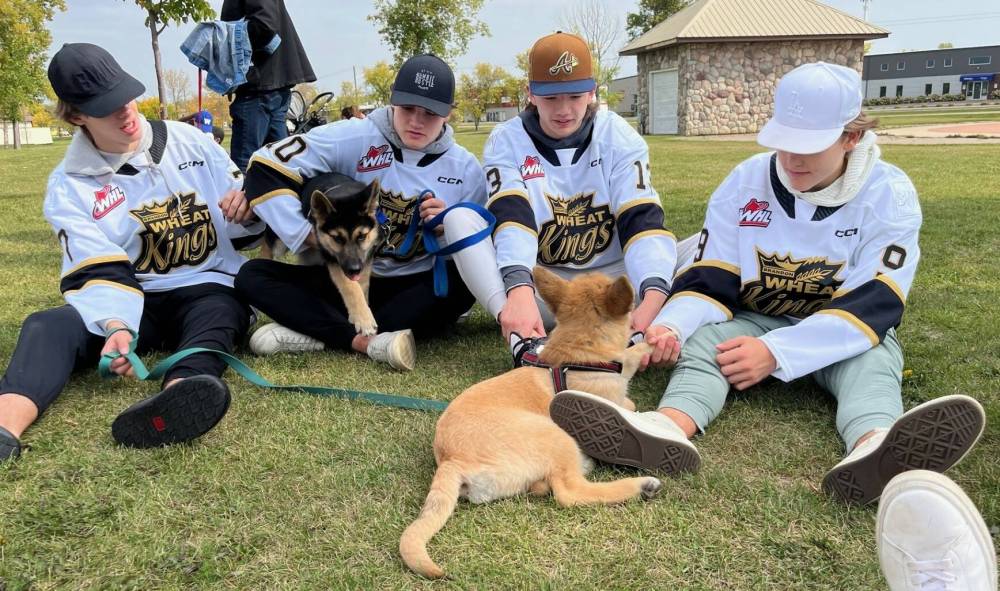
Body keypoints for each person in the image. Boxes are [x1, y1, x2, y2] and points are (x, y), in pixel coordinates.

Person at [548, 62, 986, 504]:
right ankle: (665, 428)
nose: (792, 159)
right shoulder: (746, 180)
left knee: (871, 364)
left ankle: (874, 445)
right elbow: (710, 278)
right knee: (704, 346)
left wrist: (776, 353)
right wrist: (673, 327)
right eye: (782, 142)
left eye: (809, 146)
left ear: (851, 137)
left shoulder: (889, 193)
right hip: (753, 322)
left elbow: (875, 306)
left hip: (843, 335)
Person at [0, 43, 262, 463]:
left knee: (217, 315)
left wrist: (246, 209)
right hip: (134, 297)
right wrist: (117, 324)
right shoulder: (69, 184)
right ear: (77, 116)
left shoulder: (190, 140)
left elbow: (240, 227)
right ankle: (4, 427)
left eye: (126, 94)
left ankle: (179, 396)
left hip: (207, 284)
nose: (125, 110)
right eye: (107, 106)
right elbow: (94, 261)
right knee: (47, 326)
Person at [234, 54, 489, 371]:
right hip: (346, 277)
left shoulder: (465, 167)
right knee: (251, 276)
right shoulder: (353, 135)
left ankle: (318, 331)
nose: (415, 121)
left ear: (448, 114)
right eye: (408, 108)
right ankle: (361, 339)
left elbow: (480, 248)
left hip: (412, 285)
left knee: (460, 288)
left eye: (430, 113)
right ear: (392, 101)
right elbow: (264, 166)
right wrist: (307, 236)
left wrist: (449, 223)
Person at [473, 32, 676, 365]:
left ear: (593, 92)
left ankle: (647, 328)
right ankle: (524, 339)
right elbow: (513, 220)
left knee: (698, 247)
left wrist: (652, 297)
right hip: (545, 289)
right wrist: (519, 292)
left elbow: (641, 220)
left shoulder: (618, 134)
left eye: (575, 95)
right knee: (460, 222)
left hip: (614, 287)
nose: (564, 109)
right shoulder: (506, 139)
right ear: (531, 95)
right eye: (551, 98)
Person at [221, 0, 315, 172]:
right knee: (281, 166)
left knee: (243, 168)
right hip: (268, 83)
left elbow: (264, 24)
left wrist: (224, 37)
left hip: (259, 85)